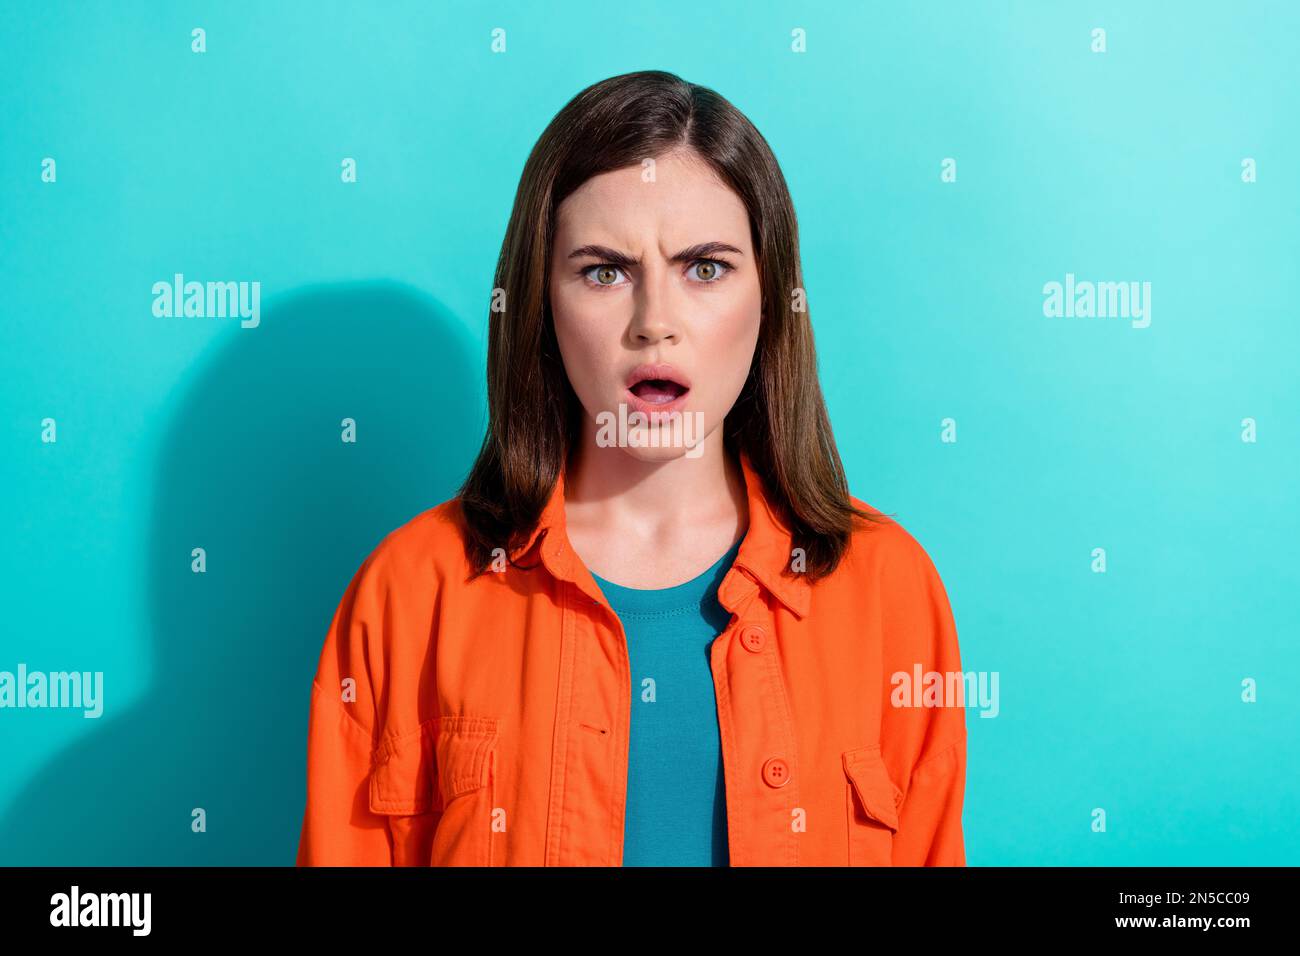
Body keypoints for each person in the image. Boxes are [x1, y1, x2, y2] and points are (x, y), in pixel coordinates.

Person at [296, 69, 967, 867]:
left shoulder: (892, 590)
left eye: (706, 267)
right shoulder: (406, 594)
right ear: (541, 304)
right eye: (603, 271)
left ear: (771, 299)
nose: (655, 323)